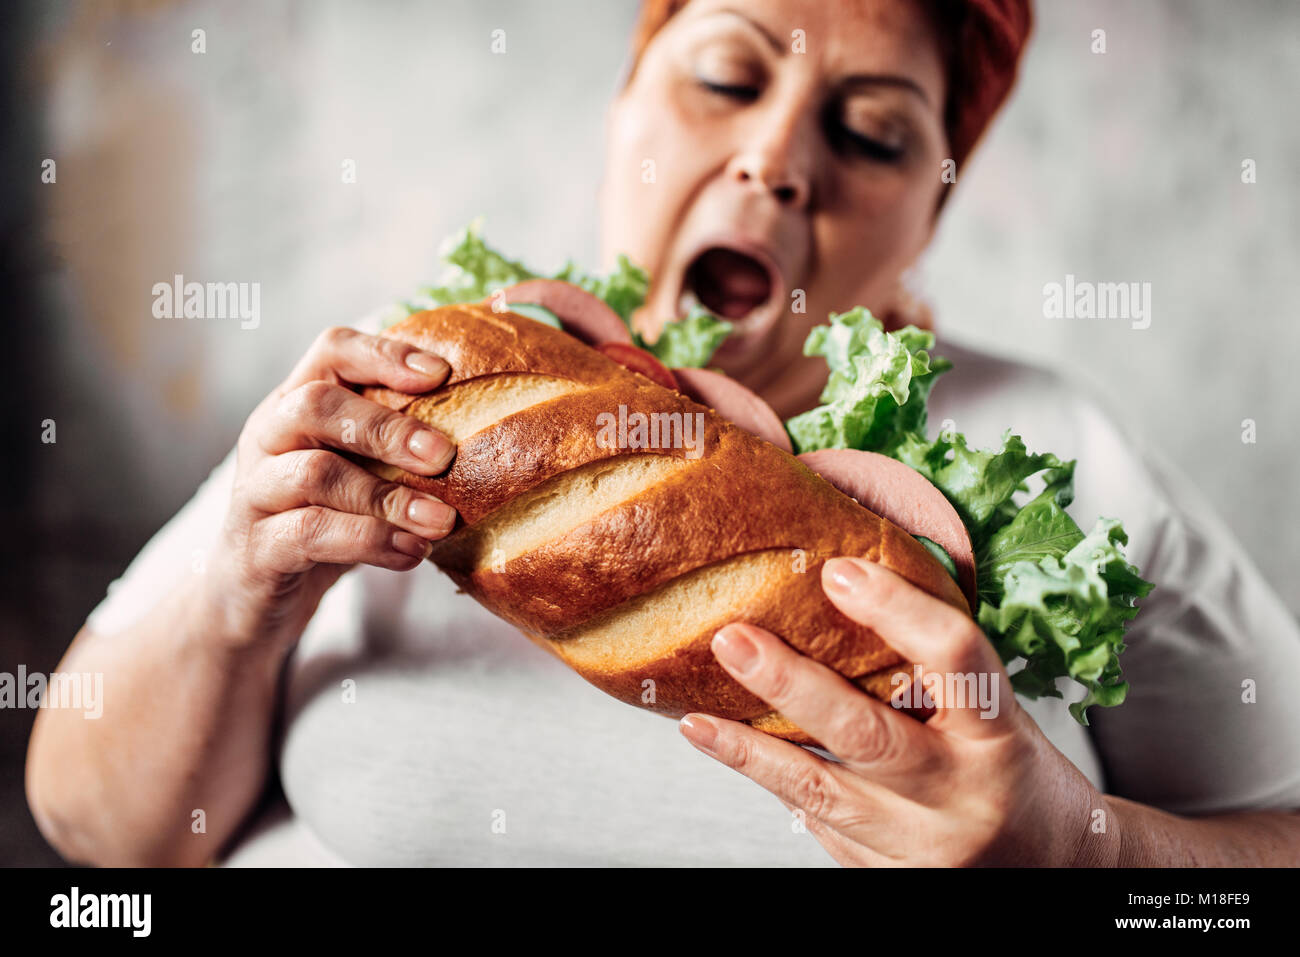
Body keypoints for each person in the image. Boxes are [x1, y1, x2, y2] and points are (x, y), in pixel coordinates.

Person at [26, 0, 1300, 867]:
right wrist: (237, 600)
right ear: (624, 103)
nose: (775, 158)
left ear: (930, 211)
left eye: (873, 132)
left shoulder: (1059, 460)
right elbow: (98, 836)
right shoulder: (391, 391)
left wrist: (1087, 850)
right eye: (727, 78)